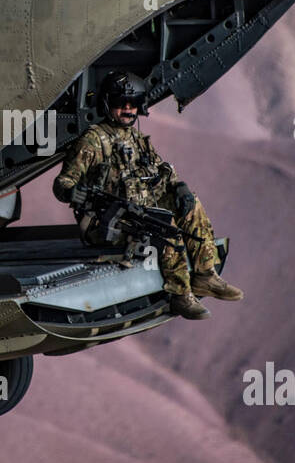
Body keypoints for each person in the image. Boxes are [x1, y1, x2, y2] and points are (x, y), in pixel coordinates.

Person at [52, 70, 243, 321]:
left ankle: (205, 275)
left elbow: (161, 173)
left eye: (133, 103)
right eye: (121, 103)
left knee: (190, 205)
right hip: (108, 222)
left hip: (142, 211)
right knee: (166, 227)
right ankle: (180, 295)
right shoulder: (93, 141)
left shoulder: (138, 140)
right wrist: (73, 192)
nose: (128, 109)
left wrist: (179, 188)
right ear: (109, 104)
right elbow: (63, 183)